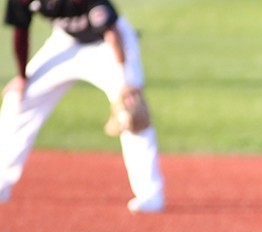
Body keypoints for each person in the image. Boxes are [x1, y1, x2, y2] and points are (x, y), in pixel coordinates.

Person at [0, 0, 165, 212]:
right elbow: (21, 30)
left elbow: (112, 33)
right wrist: (22, 77)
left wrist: (124, 81)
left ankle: (150, 195)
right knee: (18, 100)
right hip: (65, 42)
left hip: (107, 44)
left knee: (131, 113)